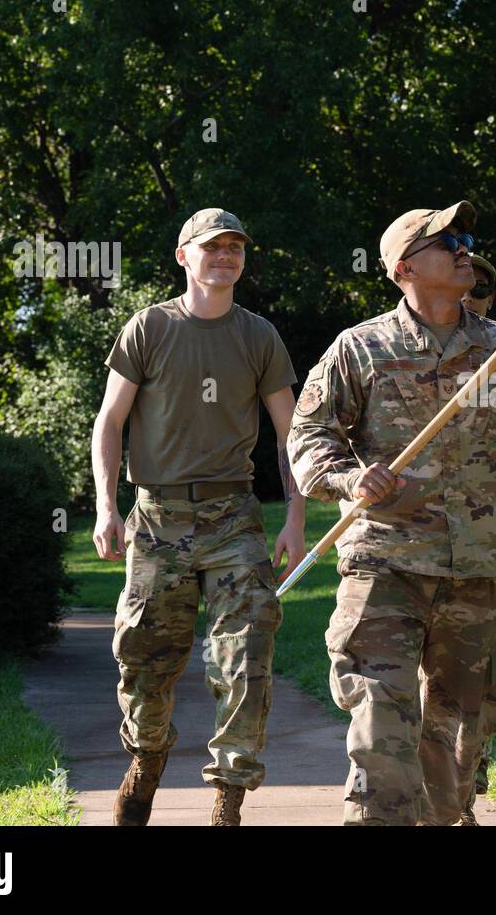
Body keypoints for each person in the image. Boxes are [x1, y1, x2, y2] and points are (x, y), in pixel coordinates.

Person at [288, 201, 496, 825]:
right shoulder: (362, 348)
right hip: (385, 567)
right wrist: (349, 476)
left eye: (466, 237)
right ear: (403, 267)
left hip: (475, 572)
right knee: (382, 735)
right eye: (445, 240)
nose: (463, 248)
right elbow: (306, 438)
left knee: (454, 750)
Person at [91, 208, 306, 826]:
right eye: (213, 247)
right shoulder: (148, 328)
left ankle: (228, 800)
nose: (226, 255)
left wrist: (295, 519)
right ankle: (147, 762)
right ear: (183, 255)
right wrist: (107, 507)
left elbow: (288, 433)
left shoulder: (259, 335)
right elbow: (109, 422)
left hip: (233, 517)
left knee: (246, 653)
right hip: (157, 518)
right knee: (144, 658)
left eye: (236, 246)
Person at [451, 252, 496, 824]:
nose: (471, 296)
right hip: (407, 556)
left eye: (481, 288)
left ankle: (465, 793)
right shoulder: (388, 350)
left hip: (487, 557)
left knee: (481, 690)